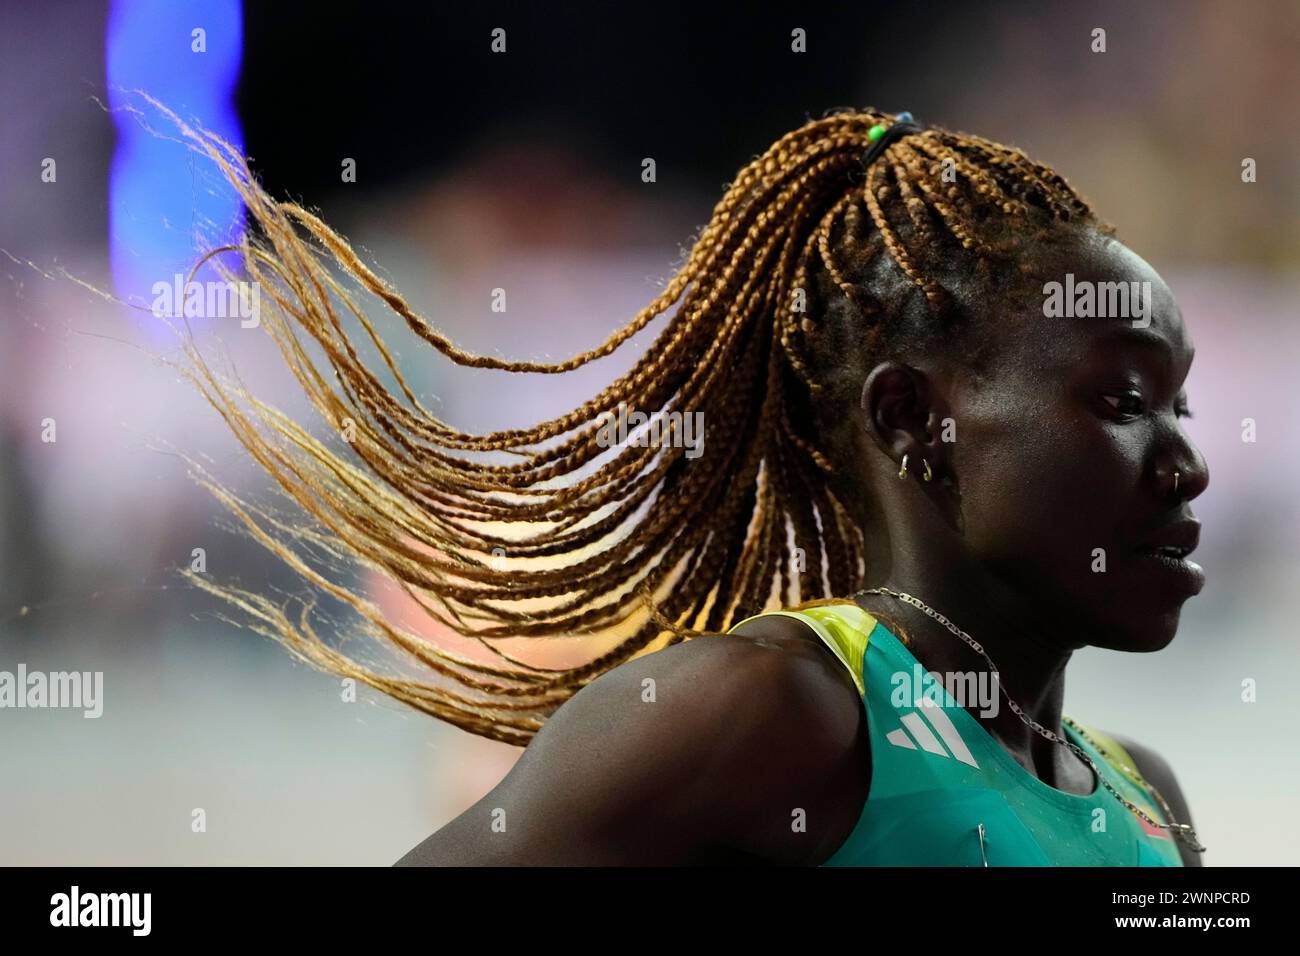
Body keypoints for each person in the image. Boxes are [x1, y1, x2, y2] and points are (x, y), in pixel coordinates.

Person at [175, 104, 1208, 866]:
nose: (1185, 462)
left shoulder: (1147, 797)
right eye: (1123, 402)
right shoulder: (767, 711)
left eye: (1181, 408)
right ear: (912, 422)